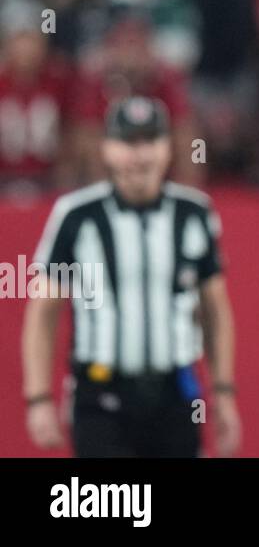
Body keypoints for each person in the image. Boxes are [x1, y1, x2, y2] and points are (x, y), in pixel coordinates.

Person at [21, 96, 240, 457]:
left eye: (150, 141)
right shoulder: (76, 216)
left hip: (175, 391)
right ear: (107, 149)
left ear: (168, 148)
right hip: (100, 393)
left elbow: (214, 309)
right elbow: (43, 312)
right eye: (128, 142)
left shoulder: (194, 214)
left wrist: (223, 392)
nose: (140, 155)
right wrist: (38, 397)